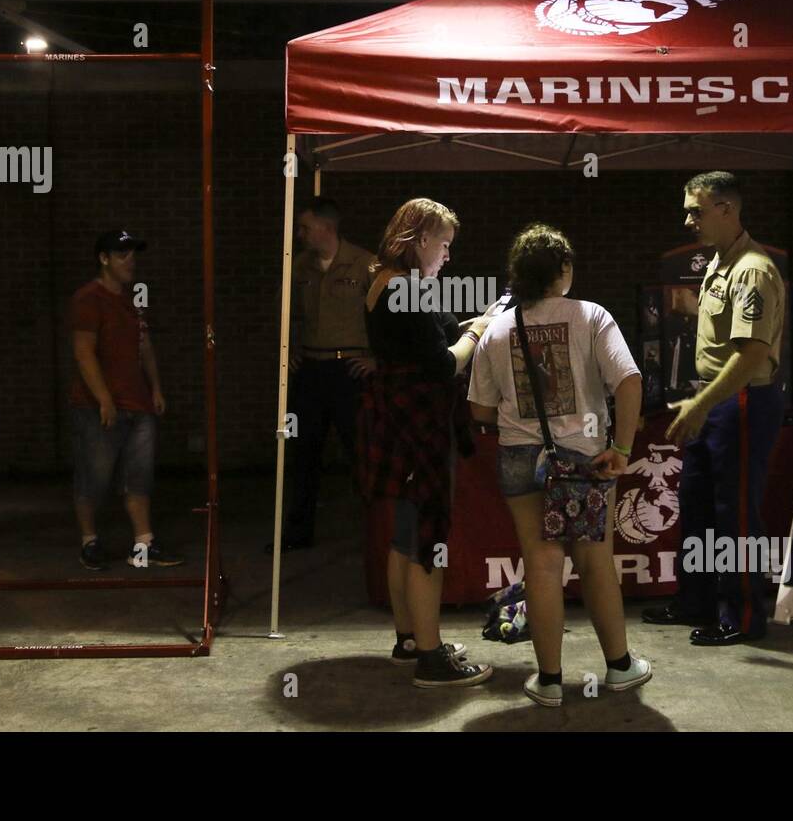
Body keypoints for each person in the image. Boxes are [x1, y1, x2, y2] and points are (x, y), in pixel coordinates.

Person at [469, 223, 651, 707]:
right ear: (563, 270)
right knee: (595, 561)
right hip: (585, 458)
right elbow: (629, 381)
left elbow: (480, 411)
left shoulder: (498, 329)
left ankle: (548, 681)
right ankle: (619, 667)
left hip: (519, 456)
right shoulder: (591, 316)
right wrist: (624, 448)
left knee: (542, 564)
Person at [642, 172, 785, 646]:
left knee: (735, 512)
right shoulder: (719, 263)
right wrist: (700, 398)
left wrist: (702, 403)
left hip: (741, 400)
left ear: (727, 210)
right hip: (714, 396)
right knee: (697, 505)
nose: (688, 220)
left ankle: (742, 617)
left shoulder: (752, 270)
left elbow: (751, 355)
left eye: (696, 210)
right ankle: (696, 601)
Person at [361, 197, 494, 688]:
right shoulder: (407, 290)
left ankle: (410, 638)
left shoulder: (387, 283)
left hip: (397, 424)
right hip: (419, 427)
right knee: (426, 542)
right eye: (443, 244)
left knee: (403, 537)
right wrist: (479, 331)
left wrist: (465, 326)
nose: (447, 255)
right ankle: (432, 658)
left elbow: (424, 345)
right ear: (419, 241)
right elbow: (441, 364)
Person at [69, 230, 184, 571]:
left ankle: (144, 542)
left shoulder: (133, 300)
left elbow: (143, 346)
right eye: (122, 255)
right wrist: (104, 399)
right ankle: (89, 541)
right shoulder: (88, 298)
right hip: (98, 407)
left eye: (133, 255)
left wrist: (156, 387)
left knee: (139, 475)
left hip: (138, 403)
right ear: (104, 258)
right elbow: (83, 352)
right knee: (95, 476)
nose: (130, 262)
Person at [275, 198, 376, 553]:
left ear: (326, 228)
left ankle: (377, 531)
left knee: (361, 452)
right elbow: (288, 314)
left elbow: (387, 317)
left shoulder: (365, 264)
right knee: (304, 452)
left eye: (305, 227)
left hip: (348, 370)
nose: (300, 234)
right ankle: (298, 531)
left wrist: (375, 359)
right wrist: (291, 350)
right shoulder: (299, 267)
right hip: (312, 372)